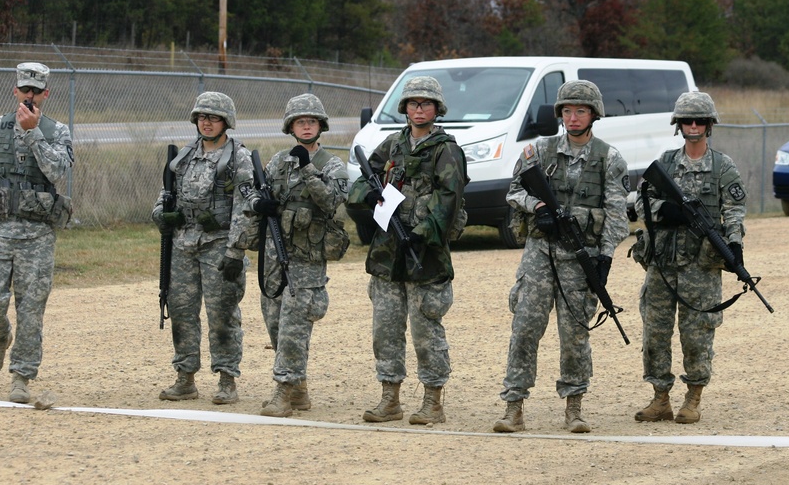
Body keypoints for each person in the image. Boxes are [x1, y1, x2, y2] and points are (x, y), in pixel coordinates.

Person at [491, 80, 629, 434]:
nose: (572, 117)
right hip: (539, 253)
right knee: (524, 328)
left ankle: (574, 406)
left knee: (575, 334)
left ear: (594, 114)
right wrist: (536, 205)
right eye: (567, 111)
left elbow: (616, 215)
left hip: (579, 256)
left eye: (580, 111)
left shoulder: (609, 158)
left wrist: (605, 258)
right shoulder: (539, 150)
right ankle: (514, 406)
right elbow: (514, 191)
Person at [348, 76, 468, 425]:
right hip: (388, 252)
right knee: (385, 328)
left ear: (436, 109)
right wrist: (366, 196)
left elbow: (450, 198)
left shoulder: (446, 150)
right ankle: (390, 397)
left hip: (424, 253)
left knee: (425, 329)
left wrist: (422, 232)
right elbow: (362, 179)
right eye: (413, 103)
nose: (419, 109)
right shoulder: (392, 144)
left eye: (425, 104)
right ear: (404, 108)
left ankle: (432, 400)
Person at [631, 91, 746, 424]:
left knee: (697, 333)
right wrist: (664, 210)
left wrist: (735, 245)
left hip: (701, 265)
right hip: (663, 262)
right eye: (686, 121)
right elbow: (640, 203)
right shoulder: (665, 163)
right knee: (655, 332)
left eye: (699, 121)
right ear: (678, 125)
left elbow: (735, 210)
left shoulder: (723, 167)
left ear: (709, 125)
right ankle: (660, 398)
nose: (692, 126)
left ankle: (693, 398)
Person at [0, 62, 74, 403]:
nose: (30, 96)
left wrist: (33, 133)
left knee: (31, 309)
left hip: (37, 234)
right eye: (24, 90)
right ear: (15, 91)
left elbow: (57, 172)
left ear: (46, 94)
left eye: (36, 91)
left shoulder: (57, 132)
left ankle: (21, 377)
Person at [250, 93, 350, 417]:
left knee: (294, 324)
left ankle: (283, 391)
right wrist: (258, 204)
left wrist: (307, 169)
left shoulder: (332, 165)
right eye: (300, 121)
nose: (306, 126)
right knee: (275, 322)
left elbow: (332, 201)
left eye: (311, 121)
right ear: (290, 126)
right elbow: (255, 191)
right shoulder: (279, 161)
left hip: (307, 259)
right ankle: (299, 388)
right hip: (276, 255)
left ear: (320, 126)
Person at [151, 92, 253, 404]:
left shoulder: (238, 158)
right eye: (202, 117)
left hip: (219, 244)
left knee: (222, 312)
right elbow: (166, 194)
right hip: (183, 243)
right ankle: (185, 377)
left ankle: (226, 379)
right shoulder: (183, 156)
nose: (206, 122)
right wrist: (162, 215)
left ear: (227, 122)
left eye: (213, 117)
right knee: (181, 311)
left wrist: (236, 249)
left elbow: (246, 207)